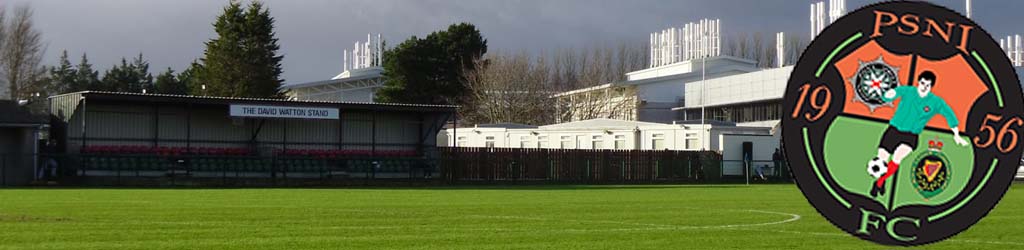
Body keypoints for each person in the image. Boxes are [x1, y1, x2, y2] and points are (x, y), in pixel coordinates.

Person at [868, 71, 969, 197]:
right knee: (882, 160)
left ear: (931, 87)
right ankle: (881, 180)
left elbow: (949, 114)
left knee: (897, 158)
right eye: (922, 83)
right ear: (918, 82)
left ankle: (879, 182)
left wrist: (956, 135)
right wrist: (889, 94)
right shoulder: (908, 91)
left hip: (911, 136)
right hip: (893, 131)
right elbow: (893, 93)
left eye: (928, 85)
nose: (924, 87)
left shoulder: (936, 102)